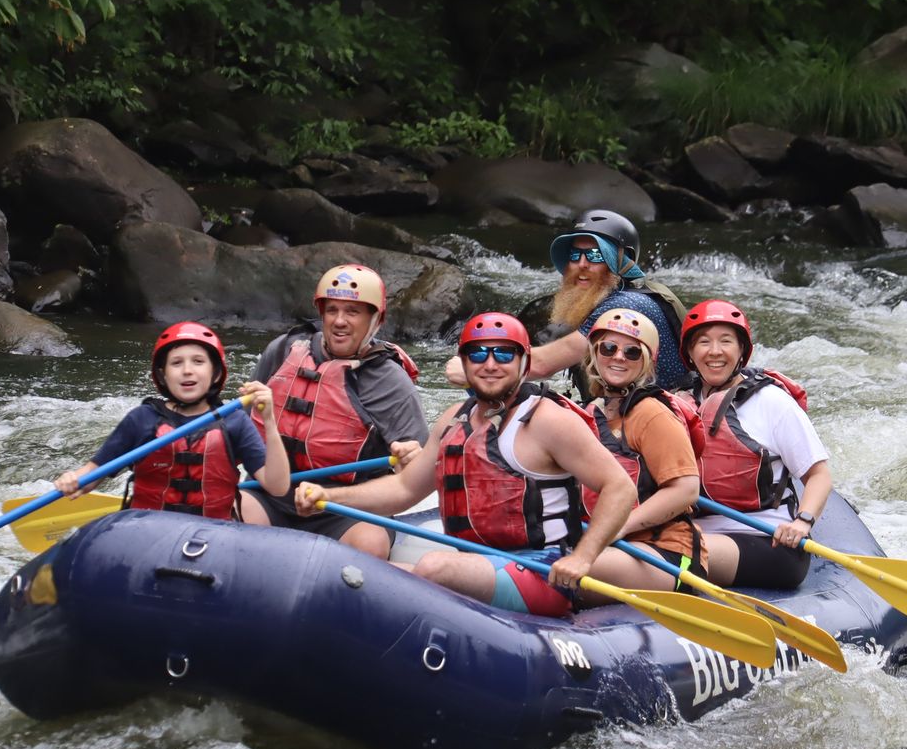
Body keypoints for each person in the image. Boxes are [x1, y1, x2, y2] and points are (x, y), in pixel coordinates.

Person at [294, 312, 637, 617]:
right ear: (464, 361)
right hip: (475, 563)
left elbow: (618, 486)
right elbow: (403, 488)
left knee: (434, 567)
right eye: (478, 353)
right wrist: (329, 495)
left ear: (523, 361)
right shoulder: (453, 421)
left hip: (539, 571)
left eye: (503, 353)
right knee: (352, 572)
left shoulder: (547, 420)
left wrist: (583, 557)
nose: (490, 364)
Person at [243, 263, 428, 557]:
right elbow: (238, 430)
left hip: (346, 511)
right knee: (229, 510)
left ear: (375, 320)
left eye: (352, 312)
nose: (339, 321)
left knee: (370, 543)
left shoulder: (390, 381)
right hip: (271, 494)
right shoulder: (283, 350)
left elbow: (417, 476)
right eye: (332, 311)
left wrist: (409, 460)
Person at [54, 321, 289, 516]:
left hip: (213, 537)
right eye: (177, 363)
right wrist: (73, 479)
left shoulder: (234, 422)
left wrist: (268, 420)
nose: (187, 370)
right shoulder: (142, 419)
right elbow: (92, 475)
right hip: (147, 532)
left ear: (215, 372)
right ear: (163, 375)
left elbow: (277, 486)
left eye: (198, 361)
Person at [445, 210, 694, 392]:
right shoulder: (613, 299)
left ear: (621, 263)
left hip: (655, 423)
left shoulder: (625, 307)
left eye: (595, 255)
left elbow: (541, 365)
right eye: (575, 254)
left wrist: (472, 368)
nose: (581, 264)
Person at [680, 299, 832, 589]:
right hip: (695, 529)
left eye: (726, 341)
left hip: (767, 540)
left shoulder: (772, 402)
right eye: (703, 342)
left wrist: (802, 523)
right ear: (689, 352)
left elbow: (819, 476)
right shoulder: (679, 404)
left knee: (672, 554)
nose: (714, 351)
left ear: (741, 351)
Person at [571, 308, 709, 594]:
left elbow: (685, 490)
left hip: (666, 555)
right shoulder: (587, 414)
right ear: (595, 353)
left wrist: (616, 527)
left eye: (632, 352)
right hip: (611, 547)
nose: (618, 357)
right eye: (609, 348)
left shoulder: (652, 413)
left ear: (646, 361)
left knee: (555, 567)